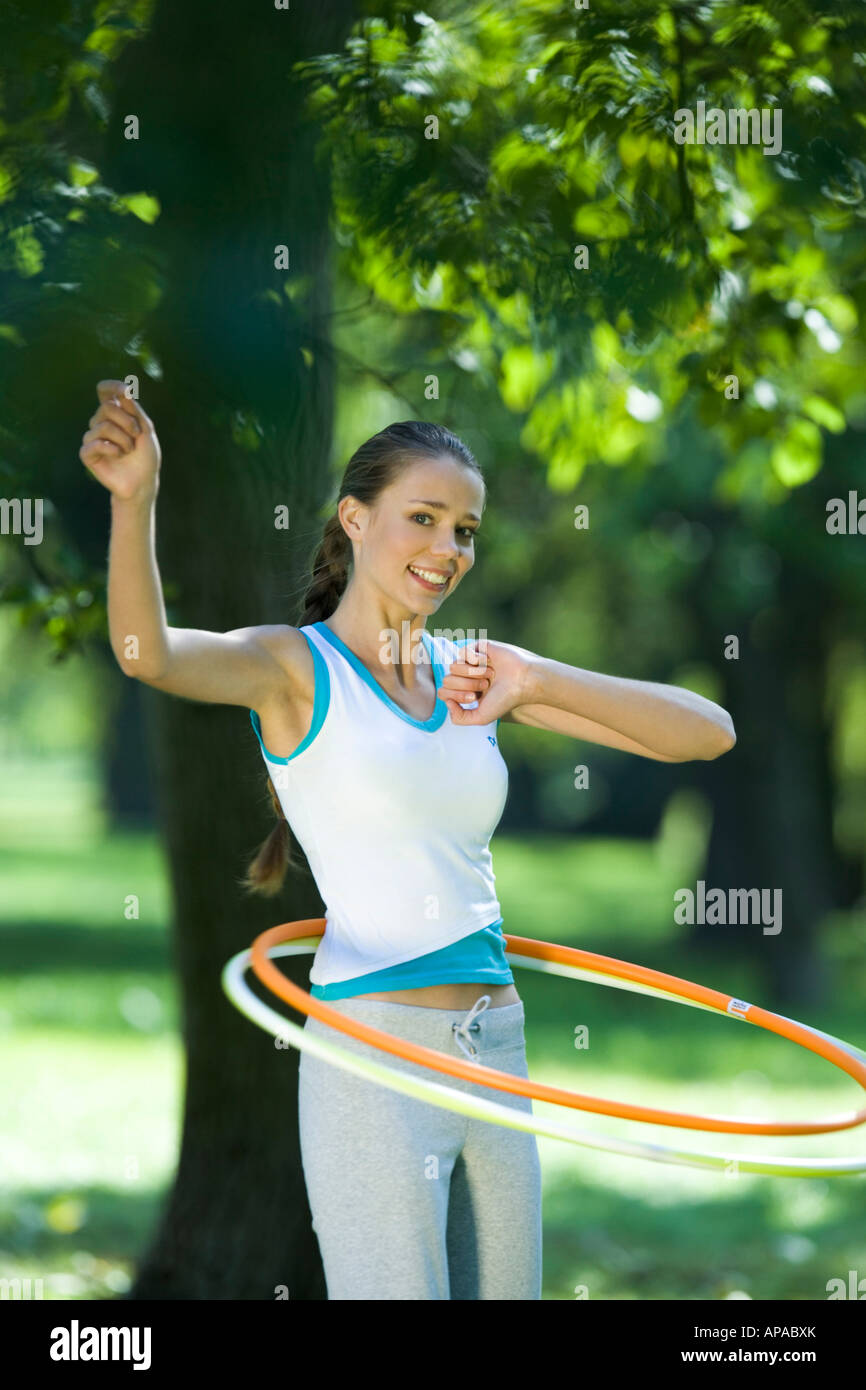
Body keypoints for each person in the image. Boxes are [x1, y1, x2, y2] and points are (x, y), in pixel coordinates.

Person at [81, 380, 736, 1300]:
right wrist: (135, 499)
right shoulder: (294, 670)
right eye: (423, 518)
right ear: (354, 519)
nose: (447, 549)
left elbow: (707, 732)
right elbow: (147, 653)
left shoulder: (475, 677)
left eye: (465, 530)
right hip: (374, 1056)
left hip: (494, 1042)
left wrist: (536, 676)